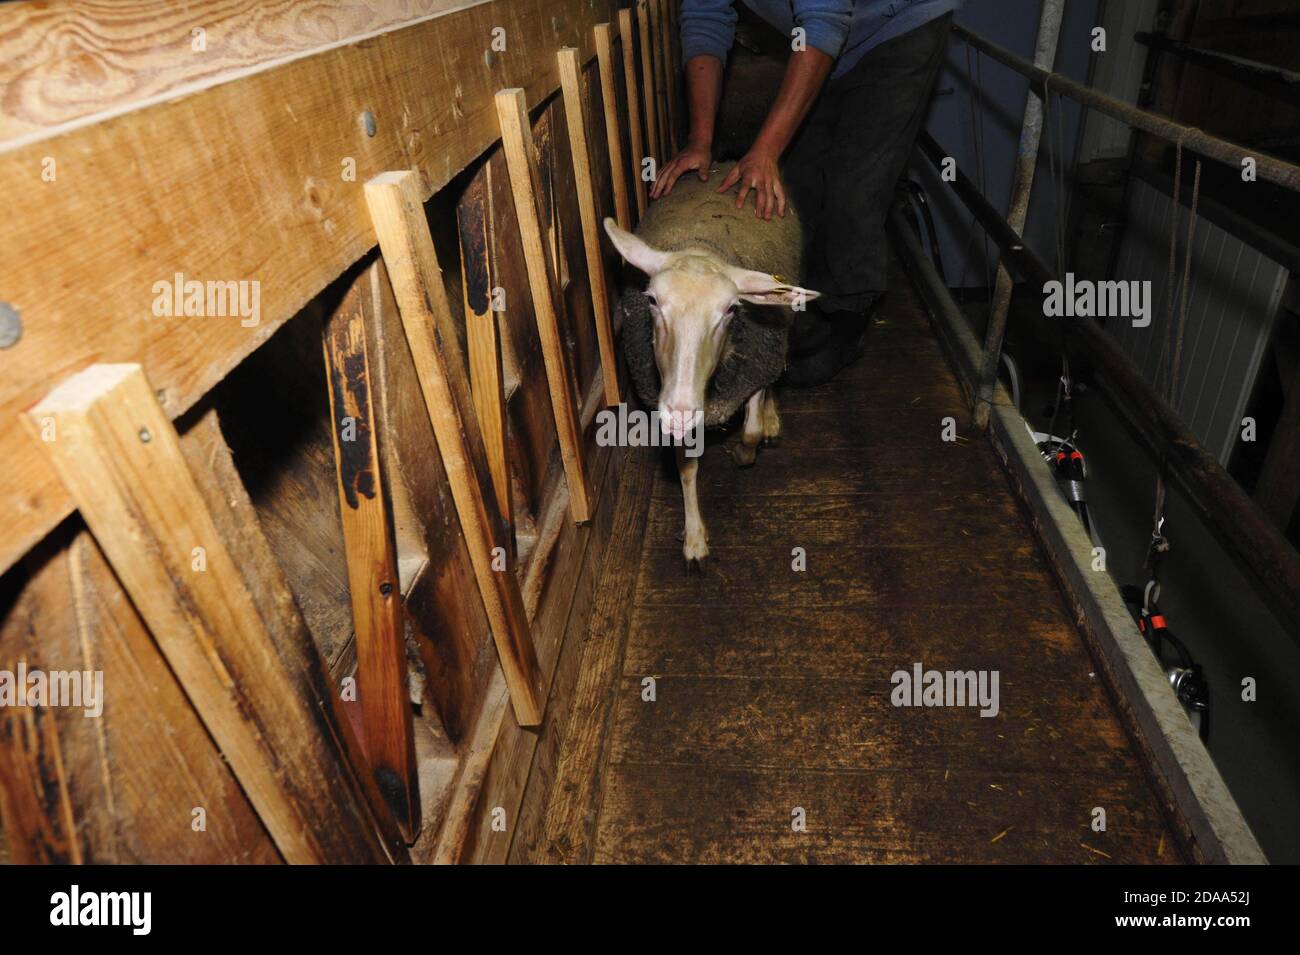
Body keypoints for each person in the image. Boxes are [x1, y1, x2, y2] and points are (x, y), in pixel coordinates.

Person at [653, 0, 961, 385]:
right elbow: (705, 16)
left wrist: (764, 151)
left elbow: (824, 19)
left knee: (855, 188)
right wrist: (700, 140)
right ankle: (804, 309)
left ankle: (847, 321)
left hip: (898, 25)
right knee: (798, 183)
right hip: (819, 29)